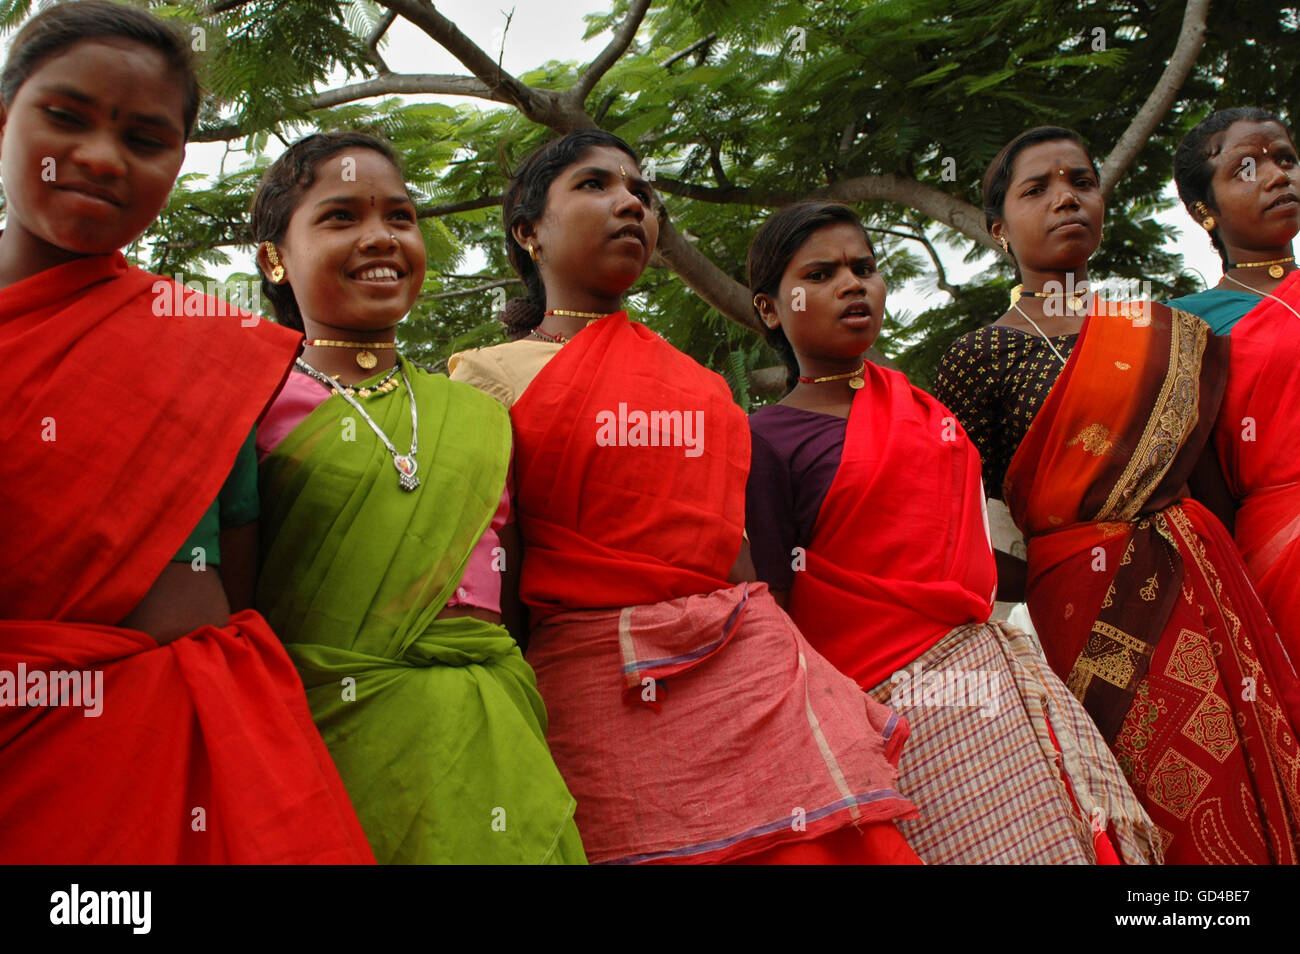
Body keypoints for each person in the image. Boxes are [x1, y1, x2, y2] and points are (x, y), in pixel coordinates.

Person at [450, 129, 920, 864]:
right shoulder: (486, 376)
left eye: (641, 192)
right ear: (528, 232)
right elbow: (494, 576)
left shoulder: (697, 386)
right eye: (595, 186)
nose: (630, 203)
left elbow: (733, 557)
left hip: (749, 674)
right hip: (598, 686)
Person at [0, 1, 372, 863]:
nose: (99, 157)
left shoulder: (204, 352)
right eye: (65, 116)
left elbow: (234, 580)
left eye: (145, 137)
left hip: (197, 755)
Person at [745, 200, 1158, 865]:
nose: (852, 284)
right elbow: (771, 611)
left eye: (864, 267)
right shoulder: (765, 441)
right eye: (821, 274)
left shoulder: (926, 411)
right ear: (770, 308)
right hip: (879, 715)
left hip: (991, 678)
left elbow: (969, 565)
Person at [933, 126, 1300, 864]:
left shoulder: (1171, 333)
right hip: (1081, 606)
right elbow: (957, 518)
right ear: (999, 228)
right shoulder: (979, 356)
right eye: (1037, 189)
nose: (1066, 197)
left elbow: (1209, 485)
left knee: (1255, 775)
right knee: (1147, 805)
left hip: (1205, 580)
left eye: (1082, 181)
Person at [250, 132, 585, 864]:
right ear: (274, 259)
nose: (381, 238)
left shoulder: (477, 416)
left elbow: (517, 601)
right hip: (327, 745)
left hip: (496, 742)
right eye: (340, 217)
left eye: (399, 217)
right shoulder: (247, 402)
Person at [1167, 107, 1300, 662]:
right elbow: (1200, 485)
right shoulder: (1186, 325)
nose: (1277, 176)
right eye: (1246, 168)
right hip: (1280, 555)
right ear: (1205, 212)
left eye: (1286, 159)